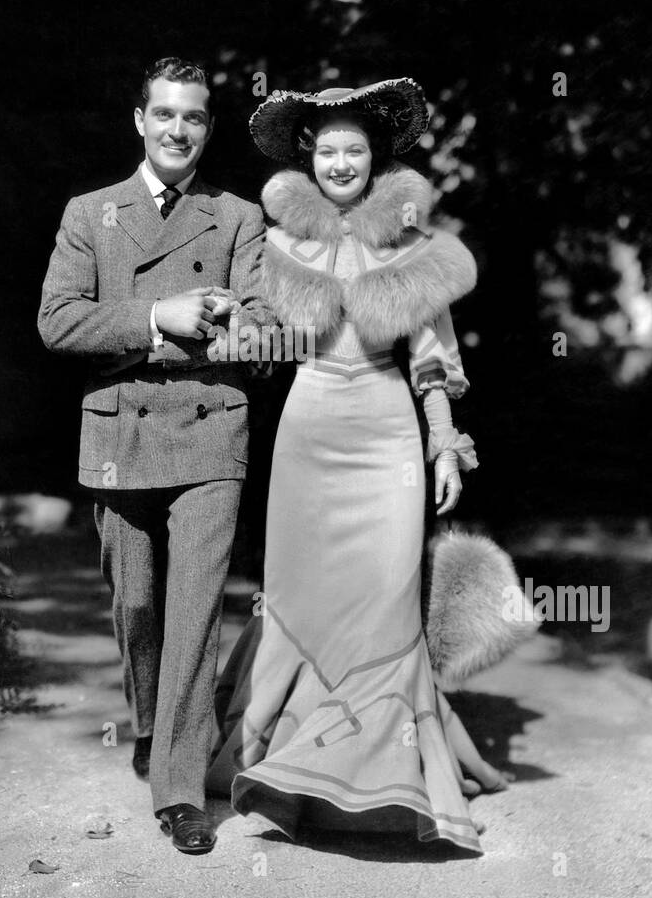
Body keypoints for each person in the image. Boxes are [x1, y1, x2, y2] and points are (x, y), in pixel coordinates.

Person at [208, 78, 505, 851]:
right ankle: (283, 770)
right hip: (307, 434)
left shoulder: (412, 245)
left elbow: (434, 363)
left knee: (384, 599)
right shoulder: (272, 244)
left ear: (376, 161)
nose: (342, 162)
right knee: (299, 597)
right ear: (310, 157)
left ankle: (385, 776)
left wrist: (445, 446)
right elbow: (252, 340)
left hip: (387, 439)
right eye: (329, 150)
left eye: (356, 151)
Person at [38, 57, 273, 855]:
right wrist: (158, 318)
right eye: (165, 115)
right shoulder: (90, 214)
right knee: (136, 605)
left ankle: (179, 789)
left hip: (212, 432)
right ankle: (151, 722)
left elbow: (265, 326)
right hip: (119, 435)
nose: (179, 131)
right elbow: (59, 322)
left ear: (208, 128)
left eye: (196, 118)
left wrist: (245, 324)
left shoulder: (239, 217)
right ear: (140, 119)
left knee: (194, 612)